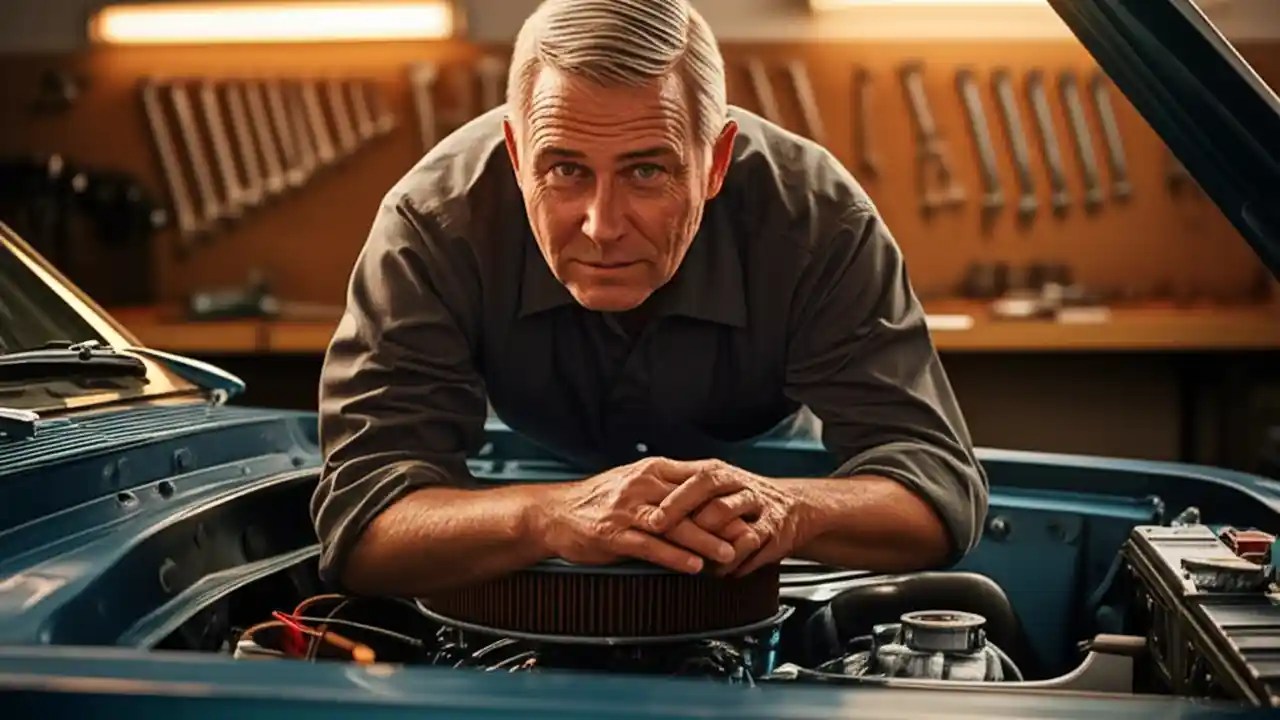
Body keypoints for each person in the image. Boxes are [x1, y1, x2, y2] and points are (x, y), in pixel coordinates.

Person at [312, 0, 988, 597]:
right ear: (516, 157)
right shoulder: (432, 225)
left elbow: (935, 487)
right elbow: (363, 523)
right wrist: (548, 514)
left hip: (765, 479)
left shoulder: (817, 220)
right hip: (520, 480)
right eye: (565, 169)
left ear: (716, 161)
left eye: (646, 170)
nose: (602, 225)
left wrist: (787, 507)